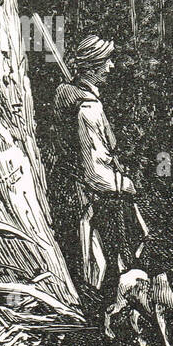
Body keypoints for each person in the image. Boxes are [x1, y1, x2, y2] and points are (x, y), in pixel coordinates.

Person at [52, 34, 147, 311]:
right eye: (107, 62)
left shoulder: (68, 95)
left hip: (73, 191)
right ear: (93, 66)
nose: (112, 67)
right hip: (93, 198)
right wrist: (126, 185)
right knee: (100, 263)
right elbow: (95, 172)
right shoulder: (87, 107)